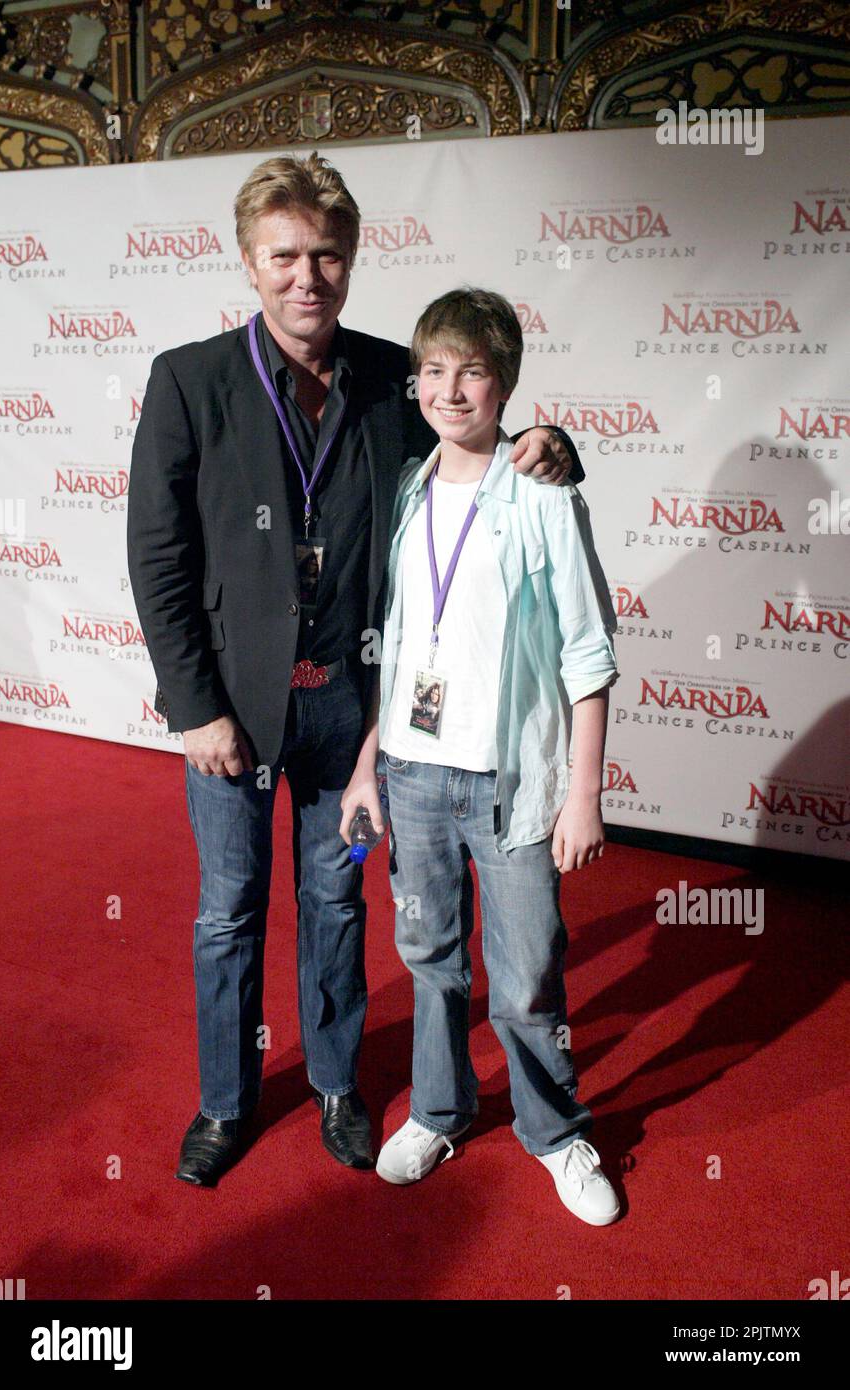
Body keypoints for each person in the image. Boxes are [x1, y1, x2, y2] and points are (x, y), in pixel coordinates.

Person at [126, 152, 584, 1187]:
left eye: (326, 254)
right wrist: (194, 707)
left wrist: (549, 443)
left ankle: (337, 1085)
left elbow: (477, 439)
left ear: (350, 260)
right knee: (228, 911)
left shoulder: (389, 375)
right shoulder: (187, 380)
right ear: (249, 261)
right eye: (284, 255)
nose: (307, 276)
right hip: (230, 714)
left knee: (335, 907)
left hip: (353, 711)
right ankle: (225, 1099)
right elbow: (157, 558)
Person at [340, 288, 621, 1224]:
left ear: (502, 383)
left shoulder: (541, 493)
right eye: (432, 370)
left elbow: (587, 653)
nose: (448, 389)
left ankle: (553, 1130)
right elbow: (404, 644)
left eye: (469, 370)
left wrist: (583, 794)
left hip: (509, 783)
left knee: (529, 971)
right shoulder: (413, 485)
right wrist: (366, 768)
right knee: (429, 958)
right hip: (413, 774)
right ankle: (439, 1108)